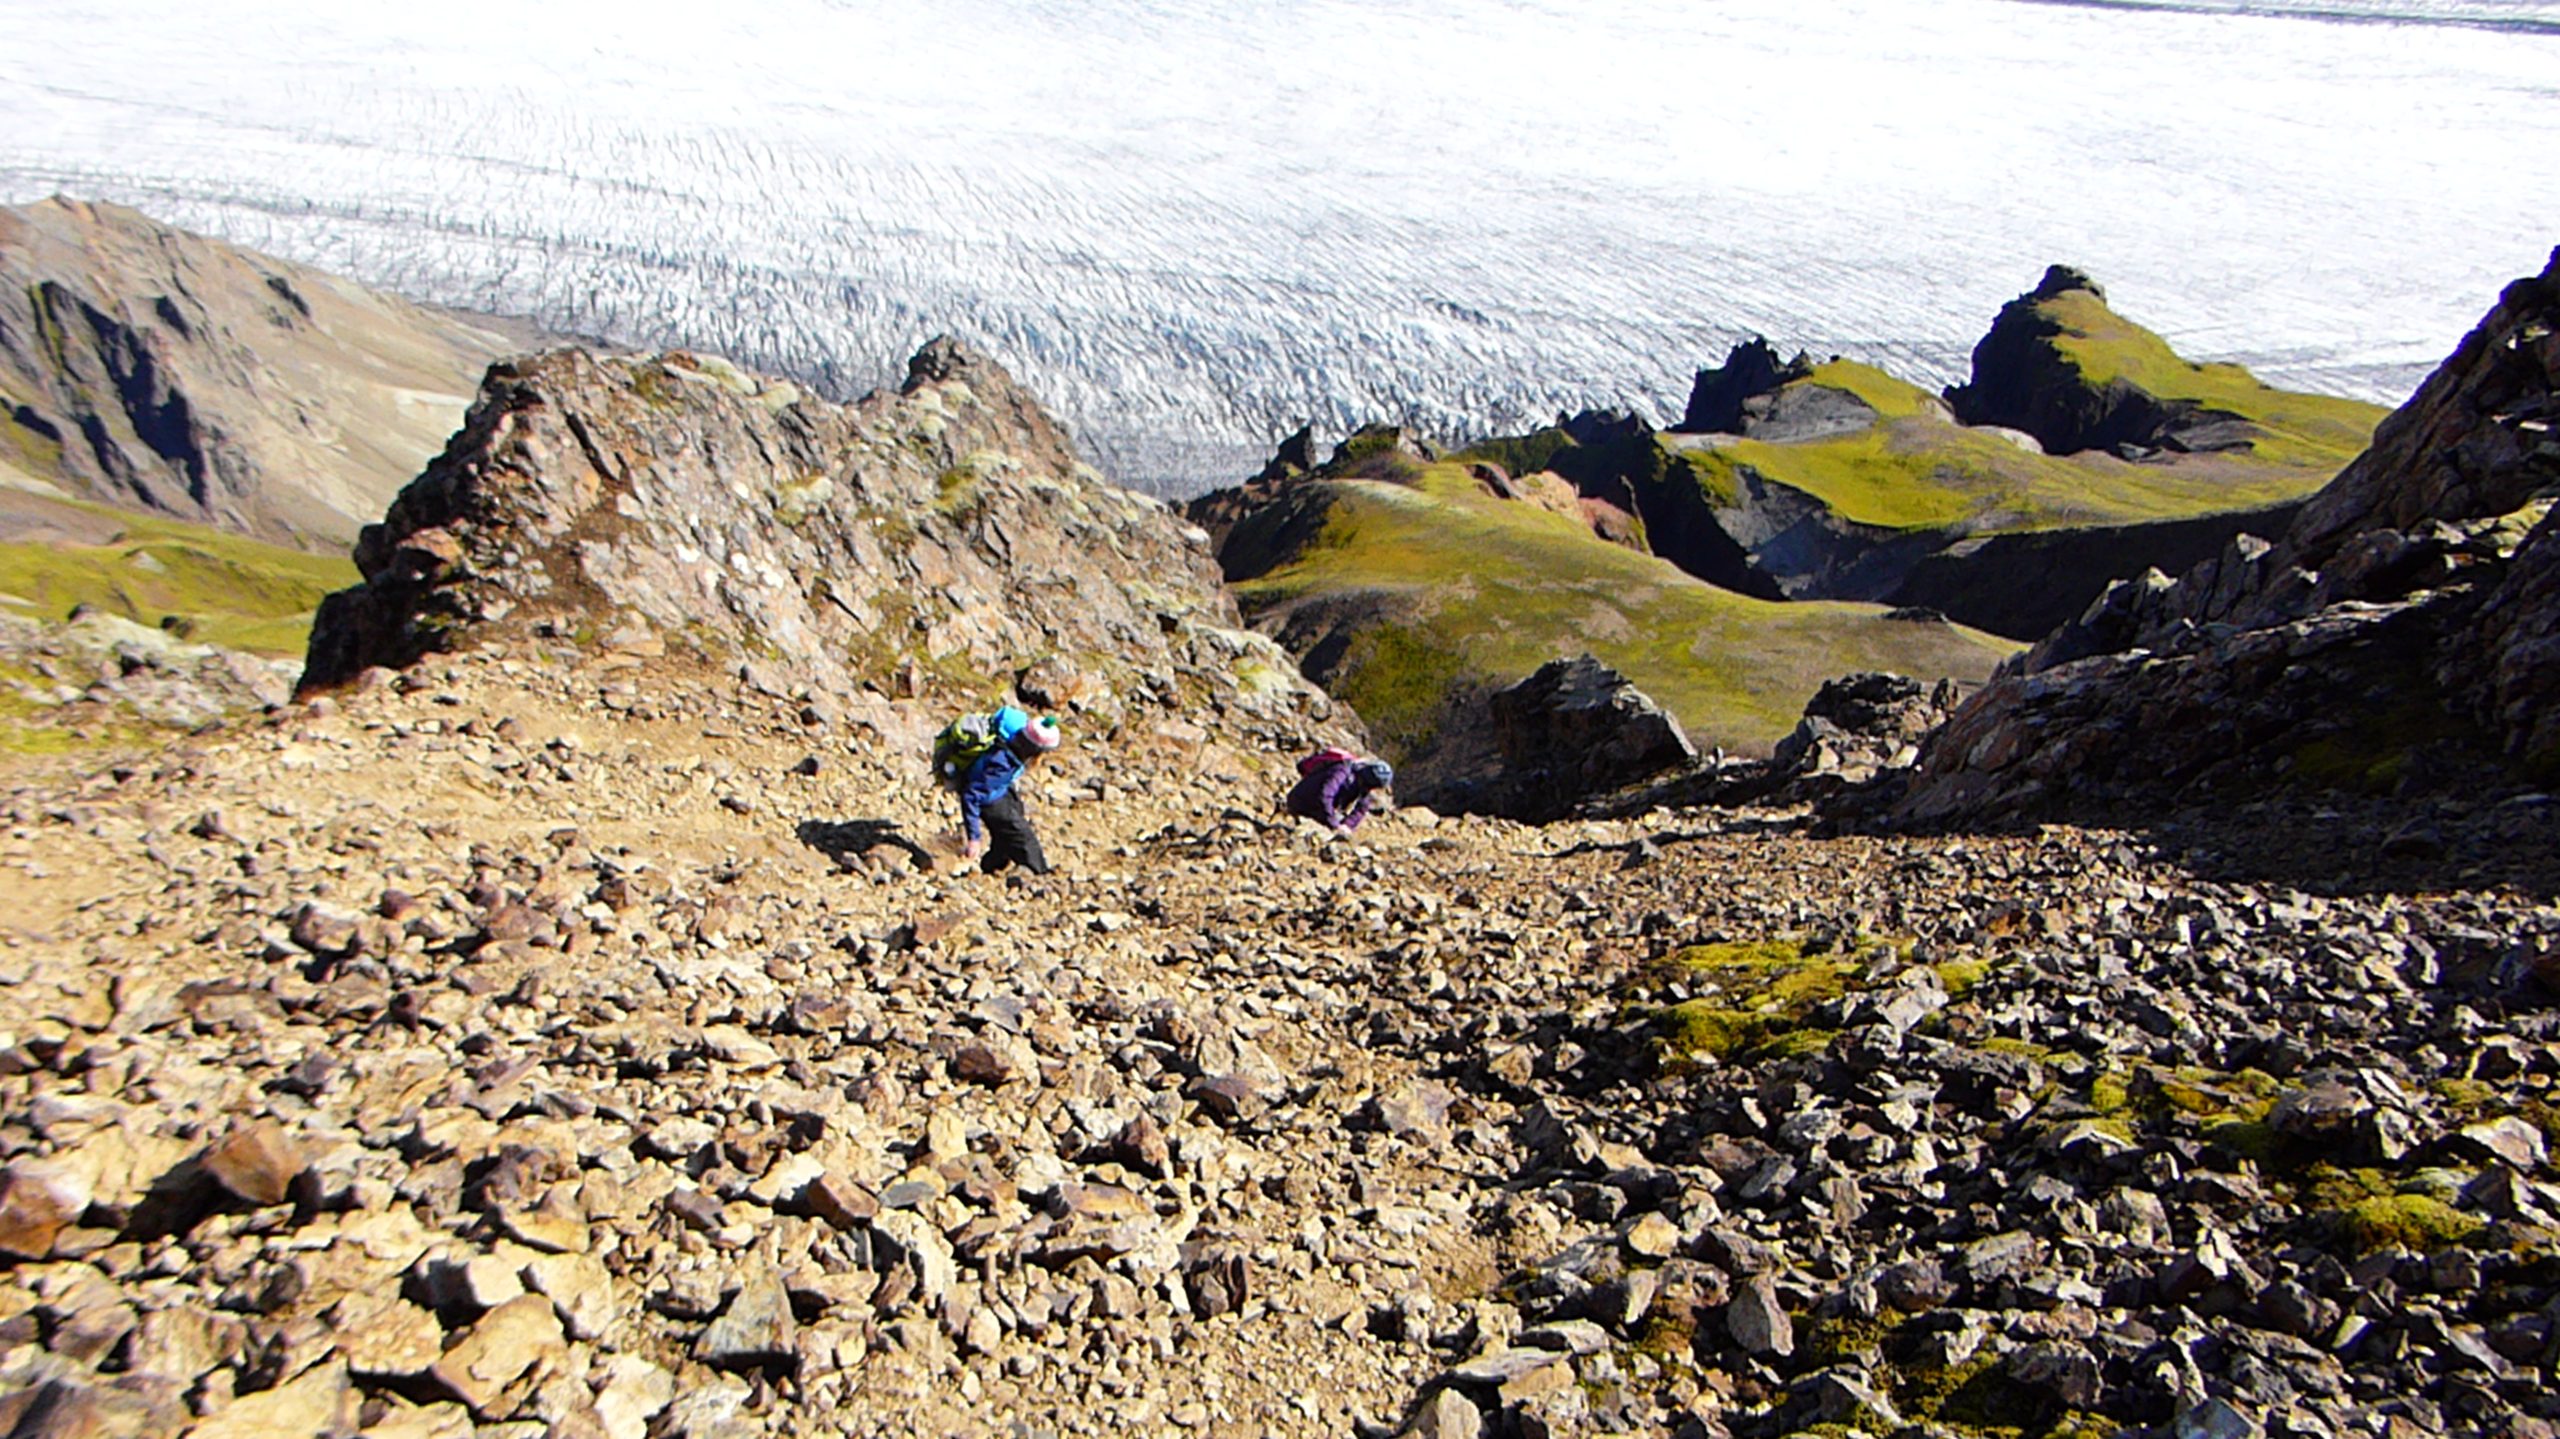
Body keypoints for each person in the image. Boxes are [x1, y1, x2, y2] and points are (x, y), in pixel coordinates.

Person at [958, 708, 1060, 874]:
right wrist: (974, 838)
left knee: (1009, 827)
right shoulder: (1001, 765)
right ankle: (1039, 875)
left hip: (1002, 790)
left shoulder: (1013, 741)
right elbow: (971, 795)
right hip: (990, 800)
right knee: (1023, 838)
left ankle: (992, 866)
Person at [1287, 748, 1393, 832]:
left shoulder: (1362, 783)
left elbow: (1361, 809)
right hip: (1302, 804)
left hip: (1318, 809)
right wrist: (1335, 824)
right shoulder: (1342, 770)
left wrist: (1347, 825)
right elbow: (1325, 795)